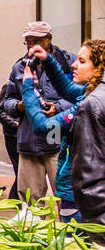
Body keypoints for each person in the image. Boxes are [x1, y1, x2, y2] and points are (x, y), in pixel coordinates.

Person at [30, 39, 105, 232]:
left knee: (75, 247)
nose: (74, 64)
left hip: (79, 196)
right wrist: (48, 60)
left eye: (82, 61)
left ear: (99, 68)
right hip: (85, 194)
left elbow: (43, 126)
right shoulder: (94, 91)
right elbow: (67, 88)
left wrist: (28, 88)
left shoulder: (90, 103)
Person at [2, 21, 77, 205]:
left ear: (48, 39)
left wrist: (58, 107)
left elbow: (80, 95)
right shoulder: (20, 67)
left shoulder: (68, 62)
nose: (31, 46)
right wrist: (18, 106)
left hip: (57, 136)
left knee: (65, 197)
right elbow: (7, 101)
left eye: (36, 41)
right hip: (29, 139)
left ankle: (67, 224)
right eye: (28, 41)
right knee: (30, 201)